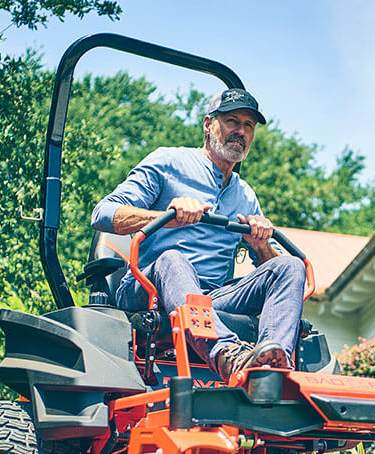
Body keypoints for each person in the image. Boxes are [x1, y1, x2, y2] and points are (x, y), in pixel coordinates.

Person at [91, 88, 306, 382]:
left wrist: (261, 247)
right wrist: (166, 217)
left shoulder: (245, 195)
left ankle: (274, 365)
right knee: (174, 259)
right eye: (232, 121)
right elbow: (102, 214)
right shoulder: (168, 163)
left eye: (248, 126)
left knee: (289, 265)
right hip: (150, 291)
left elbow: (268, 264)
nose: (240, 132)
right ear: (208, 125)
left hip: (210, 298)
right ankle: (226, 354)